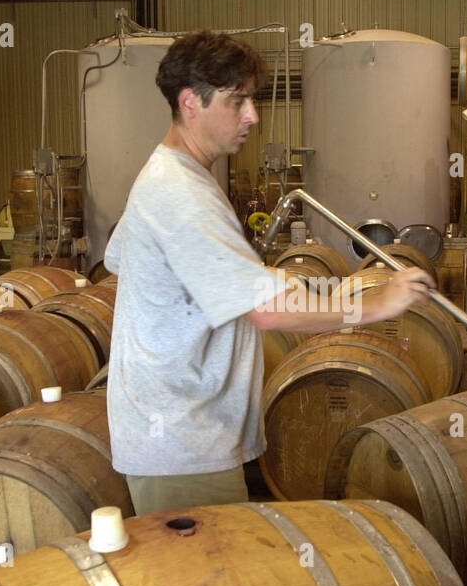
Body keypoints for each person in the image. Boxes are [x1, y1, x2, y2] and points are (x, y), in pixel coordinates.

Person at [103, 30, 434, 515]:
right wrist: (379, 305)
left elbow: (122, 258)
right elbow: (268, 313)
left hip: (181, 431)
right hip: (181, 441)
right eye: (237, 102)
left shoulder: (172, 175)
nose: (252, 116)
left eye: (251, 100)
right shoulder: (182, 193)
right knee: (209, 584)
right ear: (191, 102)